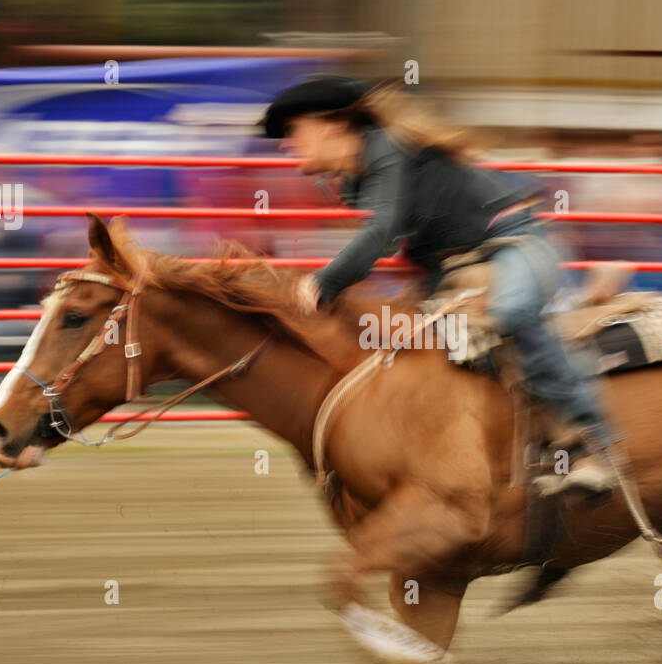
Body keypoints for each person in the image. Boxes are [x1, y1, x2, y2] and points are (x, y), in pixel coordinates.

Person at [262, 74, 617, 496]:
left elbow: (380, 235)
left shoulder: (387, 153)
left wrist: (323, 284)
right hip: (456, 271)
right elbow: (403, 241)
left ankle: (596, 444)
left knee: (513, 313)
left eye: (293, 130)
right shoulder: (359, 176)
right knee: (409, 341)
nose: (287, 143)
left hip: (517, 244)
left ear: (332, 125)